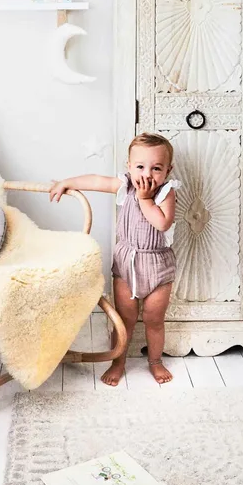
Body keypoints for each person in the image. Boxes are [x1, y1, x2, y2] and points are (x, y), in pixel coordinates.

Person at [50, 133, 180, 385]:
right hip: (126, 265)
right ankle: (118, 361)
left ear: (167, 171)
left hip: (157, 266)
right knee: (124, 319)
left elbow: (162, 223)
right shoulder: (127, 186)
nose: (147, 174)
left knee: (154, 320)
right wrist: (67, 182)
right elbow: (97, 180)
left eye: (156, 168)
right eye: (140, 167)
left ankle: (155, 361)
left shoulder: (166, 193)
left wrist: (145, 200)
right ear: (129, 168)